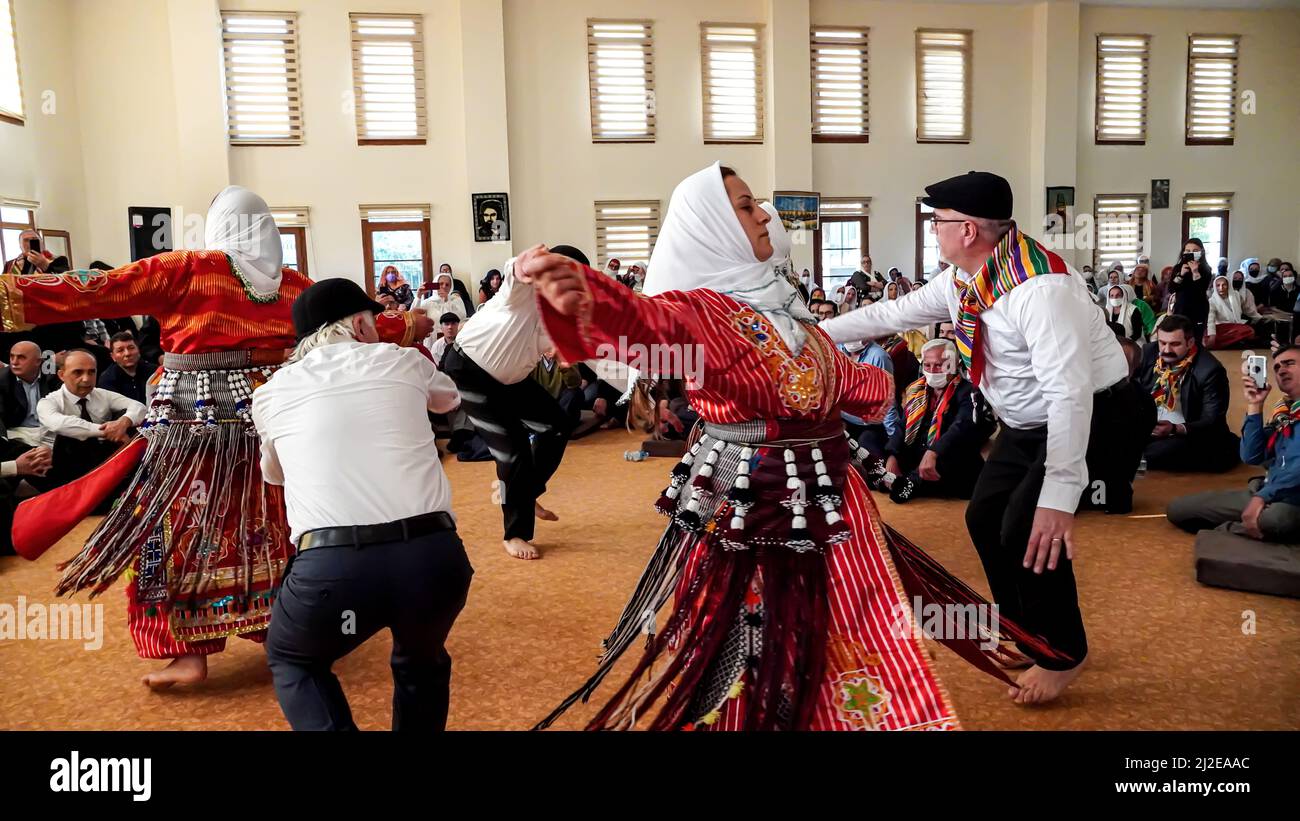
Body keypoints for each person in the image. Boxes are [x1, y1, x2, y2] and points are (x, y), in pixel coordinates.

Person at [526, 163, 1053, 732]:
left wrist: (876, 388)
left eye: (756, 204)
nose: (764, 215)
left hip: (832, 494)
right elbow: (652, 327)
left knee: (864, 608)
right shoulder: (703, 311)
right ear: (712, 226)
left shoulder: (782, 308)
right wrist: (591, 297)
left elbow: (854, 386)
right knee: (757, 635)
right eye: (747, 207)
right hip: (760, 498)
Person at [822, 170, 1137, 704]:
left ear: (967, 230)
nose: (934, 231)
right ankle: (1026, 631)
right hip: (1026, 423)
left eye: (938, 222)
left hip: (1091, 413)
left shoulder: (1040, 289)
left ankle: (1064, 652)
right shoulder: (967, 278)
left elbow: (1070, 394)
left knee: (1028, 530)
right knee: (983, 516)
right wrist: (810, 332)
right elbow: (891, 313)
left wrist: (1060, 497)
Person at [0, 185, 308, 688]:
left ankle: (187, 652)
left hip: (192, 426)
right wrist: (405, 324)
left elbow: (94, 289)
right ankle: (287, 631)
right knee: (280, 523)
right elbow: (353, 323)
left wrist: (14, 291)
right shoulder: (295, 286)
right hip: (276, 424)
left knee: (167, 530)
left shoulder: (187, 268)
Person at [254, 278, 471, 731]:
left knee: (294, 659)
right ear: (359, 324)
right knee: (420, 658)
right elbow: (450, 399)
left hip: (334, 573)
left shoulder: (271, 392)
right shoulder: (403, 360)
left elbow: (275, 475)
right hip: (435, 562)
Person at [440, 249, 583, 561]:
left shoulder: (565, 316)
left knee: (556, 426)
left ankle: (527, 491)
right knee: (513, 450)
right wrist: (524, 265)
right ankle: (515, 533)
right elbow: (514, 274)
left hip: (511, 379)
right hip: (470, 372)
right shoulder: (522, 292)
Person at [1167, 345, 1300, 543]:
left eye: (1290, 363)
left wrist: (1262, 497)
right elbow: (1251, 456)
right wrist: (1255, 405)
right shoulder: (1285, 412)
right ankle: (1247, 530)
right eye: (1277, 366)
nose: (1281, 369)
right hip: (1268, 490)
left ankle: (1234, 532)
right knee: (1178, 509)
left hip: (1293, 497)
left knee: (1276, 520)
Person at [877, 339, 994, 503]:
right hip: (919, 455)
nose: (932, 371)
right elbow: (902, 425)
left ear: (954, 364)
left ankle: (911, 481)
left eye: (939, 365)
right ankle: (904, 478)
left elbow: (960, 427)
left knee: (948, 454)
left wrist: (934, 452)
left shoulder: (970, 391)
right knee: (874, 445)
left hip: (950, 459)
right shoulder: (918, 390)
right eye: (927, 365)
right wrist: (893, 456)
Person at [1136, 314, 1240, 473]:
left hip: (1187, 431)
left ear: (1190, 342)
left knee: (1164, 451)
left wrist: (1173, 429)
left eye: (1175, 344)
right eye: (1162, 343)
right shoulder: (1148, 353)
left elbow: (1212, 420)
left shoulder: (1210, 370)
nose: (1166, 350)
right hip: (1152, 424)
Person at [36, 349, 146, 489]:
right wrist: (107, 431)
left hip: (100, 460)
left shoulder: (101, 394)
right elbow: (59, 424)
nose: (86, 379)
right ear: (62, 375)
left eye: (91, 372)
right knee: (70, 435)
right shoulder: (49, 402)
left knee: (130, 419)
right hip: (61, 467)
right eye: (78, 372)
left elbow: (139, 407)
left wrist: (123, 422)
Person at [1, 340, 59, 446]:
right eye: (12, 356)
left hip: (52, 430)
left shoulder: (54, 375)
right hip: (18, 433)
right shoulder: (3, 379)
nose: (14, 362)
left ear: (38, 361)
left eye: (21, 357)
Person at [1169, 239, 1212, 342]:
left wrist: (1195, 272)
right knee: (1180, 338)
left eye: (1195, 250)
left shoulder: (1206, 269)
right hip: (1181, 308)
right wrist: (1181, 274)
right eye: (1187, 251)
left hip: (1198, 309)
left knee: (1195, 339)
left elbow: (1200, 291)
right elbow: (1171, 289)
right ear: (1183, 252)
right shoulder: (1178, 268)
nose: (1191, 253)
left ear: (1201, 252)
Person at [97, 331, 156, 404]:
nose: (127, 353)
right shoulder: (107, 380)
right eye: (120, 350)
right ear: (113, 357)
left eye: (131, 348)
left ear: (138, 350)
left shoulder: (154, 372)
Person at [1206, 274, 1262, 349]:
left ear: (1228, 285)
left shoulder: (1236, 295)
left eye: (1224, 285)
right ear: (1215, 287)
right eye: (1218, 285)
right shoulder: (1212, 301)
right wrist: (1212, 336)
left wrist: (1258, 317)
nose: (1221, 288)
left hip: (1236, 326)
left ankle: (1235, 342)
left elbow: (1246, 309)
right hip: (1221, 328)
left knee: (1249, 330)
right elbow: (1210, 320)